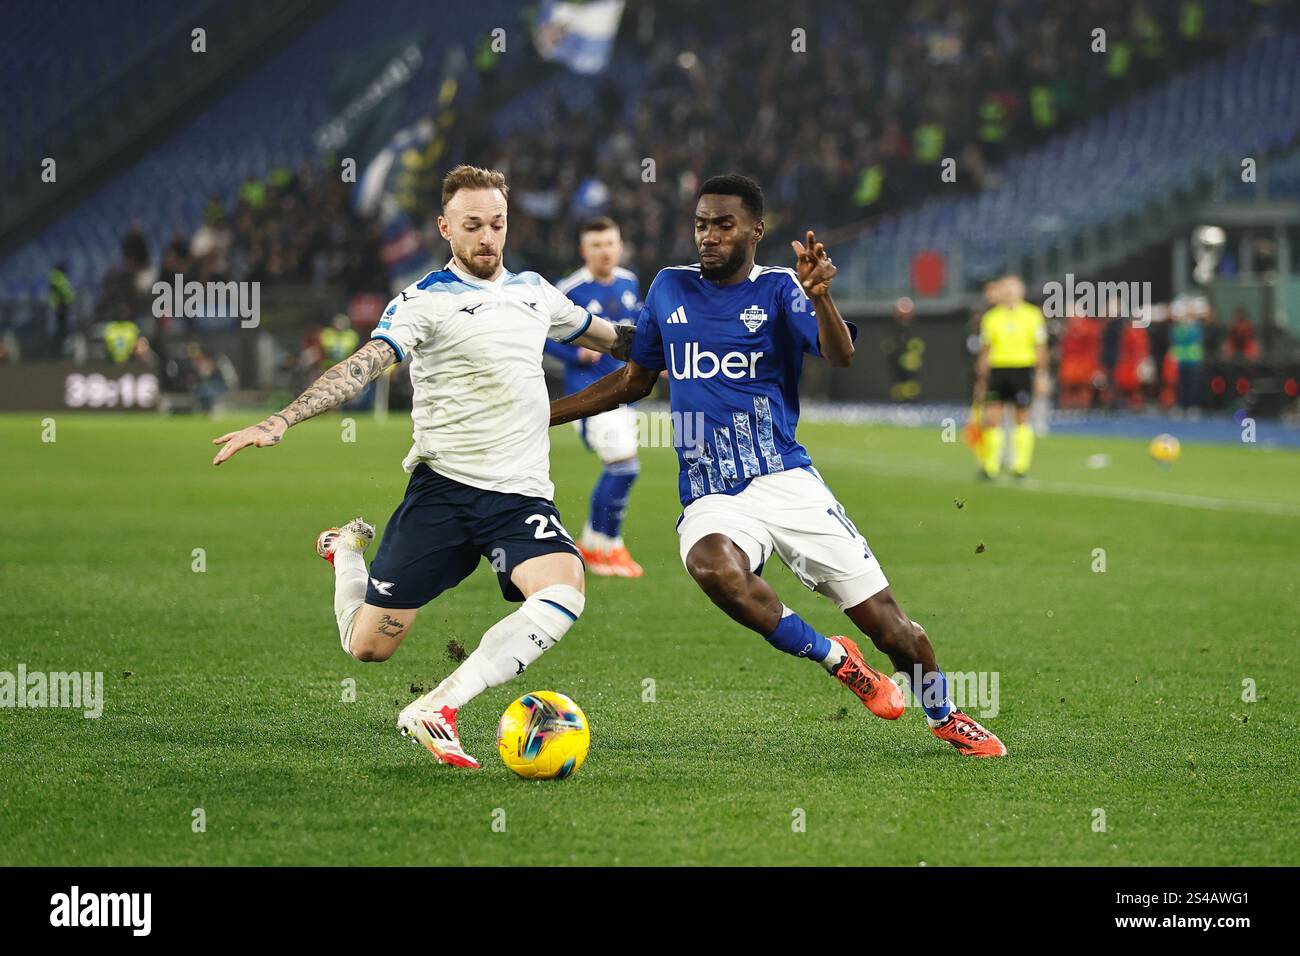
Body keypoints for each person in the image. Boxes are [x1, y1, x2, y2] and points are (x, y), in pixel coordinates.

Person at [549, 174, 1006, 757]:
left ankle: (943, 711)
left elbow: (840, 355)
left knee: (894, 630)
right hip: (712, 492)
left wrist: (821, 295)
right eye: (701, 224)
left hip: (786, 480)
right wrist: (545, 415)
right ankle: (839, 661)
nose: (708, 236)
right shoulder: (668, 288)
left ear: (755, 231)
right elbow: (636, 380)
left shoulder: (782, 289)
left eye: (723, 225)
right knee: (713, 567)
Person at [210, 165, 633, 768]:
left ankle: (440, 705)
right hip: (444, 495)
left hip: (520, 498)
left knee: (565, 587)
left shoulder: (537, 293)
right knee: (369, 648)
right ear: (445, 228)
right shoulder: (424, 301)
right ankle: (346, 551)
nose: (487, 237)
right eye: (472, 226)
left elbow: (612, 338)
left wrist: (685, 337)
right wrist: (281, 419)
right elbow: (364, 364)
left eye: (497, 224)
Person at [544, 218, 646, 577]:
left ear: (619, 246)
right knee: (624, 466)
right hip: (589, 399)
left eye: (610, 244)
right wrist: (576, 355)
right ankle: (608, 544)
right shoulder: (569, 289)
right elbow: (540, 334)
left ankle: (594, 545)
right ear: (583, 250)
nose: (604, 251)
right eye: (596, 245)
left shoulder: (630, 282)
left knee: (620, 468)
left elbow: (641, 331)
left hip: (626, 394)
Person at [972, 275, 1048, 479]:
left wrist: (1041, 375)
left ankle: (1020, 466)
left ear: (1021, 291)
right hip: (997, 371)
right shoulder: (991, 317)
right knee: (992, 418)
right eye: (1006, 288)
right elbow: (986, 350)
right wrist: (981, 380)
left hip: (1022, 370)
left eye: (1013, 288)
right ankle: (991, 466)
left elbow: (1040, 348)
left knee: (1021, 418)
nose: (1009, 292)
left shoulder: (1032, 315)